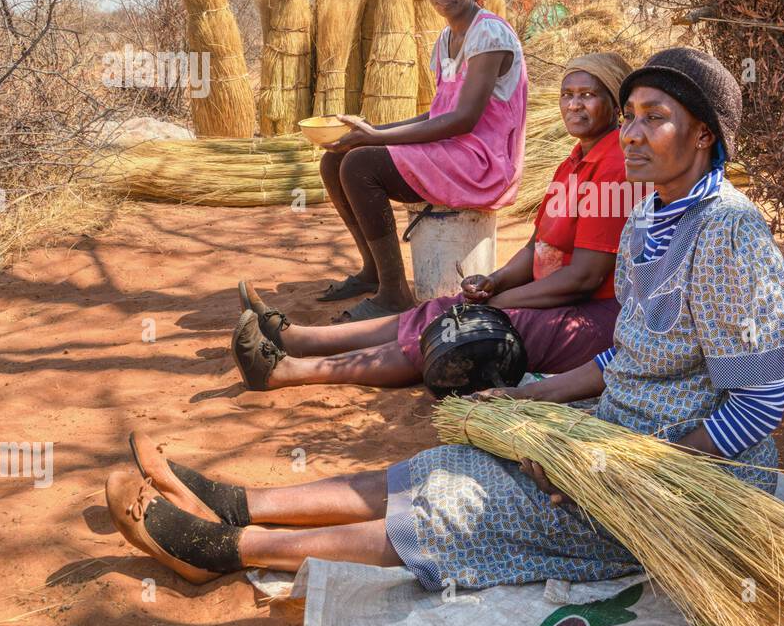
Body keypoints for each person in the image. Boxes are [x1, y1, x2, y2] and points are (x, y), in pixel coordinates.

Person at [106, 48, 784, 591]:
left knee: (466, 510)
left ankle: (227, 551)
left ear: (705, 134)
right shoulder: (650, 214)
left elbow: (759, 403)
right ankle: (239, 501)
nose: (635, 132)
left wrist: (621, 466)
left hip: (689, 479)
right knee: (454, 462)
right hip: (622, 435)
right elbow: (634, 356)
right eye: (633, 116)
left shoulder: (730, 237)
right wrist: (534, 397)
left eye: (656, 118)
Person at [228, 52, 637, 391]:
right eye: (567, 94)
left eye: (588, 95)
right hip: (556, 299)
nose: (573, 105)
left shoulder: (615, 166)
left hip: (589, 319)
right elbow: (537, 247)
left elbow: (584, 278)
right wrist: (494, 281)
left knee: (460, 329)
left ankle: (290, 371)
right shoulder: (573, 162)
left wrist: (501, 301)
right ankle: (298, 339)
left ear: (615, 106)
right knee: (441, 308)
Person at [316, 0, 527, 323]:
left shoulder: (490, 34)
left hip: (482, 161)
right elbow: (436, 114)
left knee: (361, 166)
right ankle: (374, 273)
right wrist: (372, 130)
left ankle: (394, 295)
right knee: (337, 160)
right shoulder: (446, 39)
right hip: (454, 149)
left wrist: (377, 139)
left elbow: (463, 119)